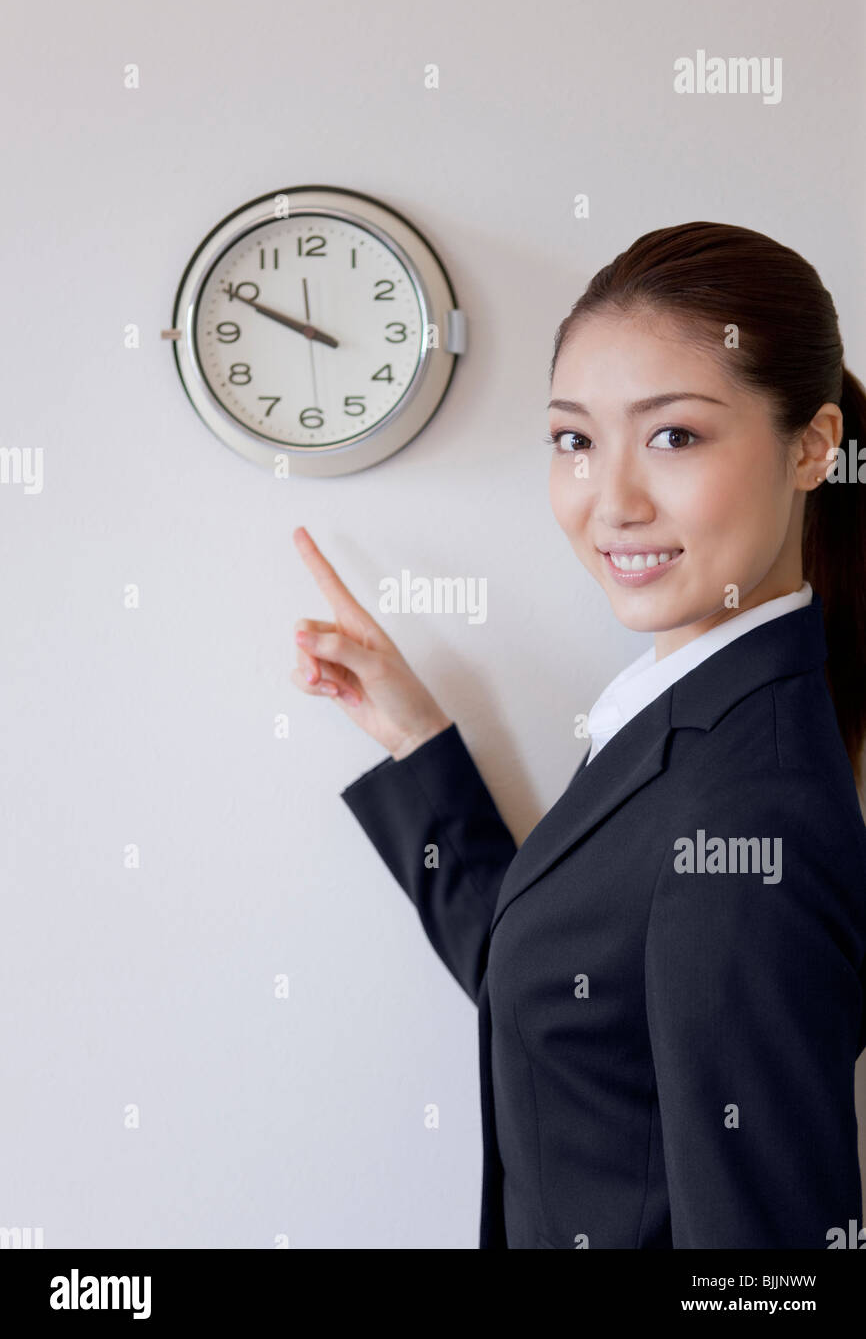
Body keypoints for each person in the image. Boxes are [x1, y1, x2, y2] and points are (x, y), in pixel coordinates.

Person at [291, 221, 866, 1249]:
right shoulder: (693, 719)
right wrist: (416, 738)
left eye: (673, 436)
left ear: (811, 448)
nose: (610, 503)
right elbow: (565, 1007)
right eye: (573, 440)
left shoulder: (747, 816)